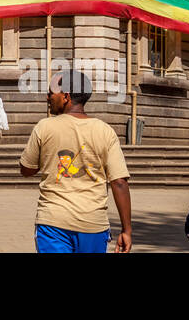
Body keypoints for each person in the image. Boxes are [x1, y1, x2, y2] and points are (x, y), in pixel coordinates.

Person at [18, 70, 132, 253]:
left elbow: (26, 169)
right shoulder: (105, 131)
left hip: (52, 223)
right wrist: (127, 230)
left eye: (51, 93)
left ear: (66, 97)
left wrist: (46, 155)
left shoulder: (44, 127)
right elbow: (119, 182)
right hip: (93, 224)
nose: (47, 97)